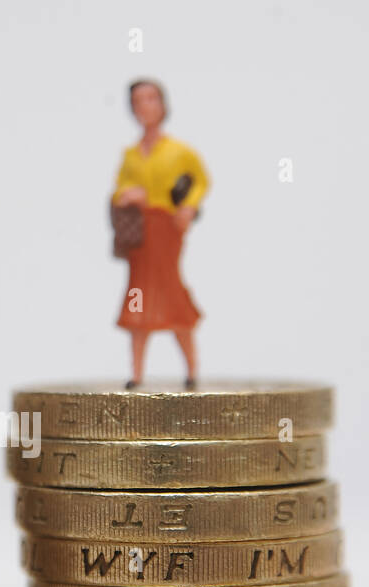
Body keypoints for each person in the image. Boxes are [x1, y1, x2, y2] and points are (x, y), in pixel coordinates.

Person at [111, 79, 209, 390]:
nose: (145, 106)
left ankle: (192, 369)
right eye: (138, 101)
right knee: (138, 297)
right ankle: (137, 373)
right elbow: (118, 190)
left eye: (151, 99)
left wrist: (189, 208)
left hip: (165, 231)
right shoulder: (130, 154)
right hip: (140, 235)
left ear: (163, 105)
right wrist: (127, 195)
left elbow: (200, 181)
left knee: (171, 292)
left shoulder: (179, 151)